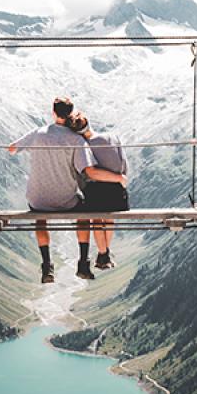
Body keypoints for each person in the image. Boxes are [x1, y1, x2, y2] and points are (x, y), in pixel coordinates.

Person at [7, 97, 125, 283]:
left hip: (38, 199)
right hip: (66, 200)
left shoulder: (38, 133)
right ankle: (84, 263)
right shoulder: (76, 140)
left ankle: (47, 266)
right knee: (85, 213)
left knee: (39, 217)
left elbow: (12, 148)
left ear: (53, 112)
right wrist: (118, 178)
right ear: (70, 114)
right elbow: (89, 171)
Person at [65, 112, 129, 273]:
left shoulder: (82, 146)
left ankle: (103, 253)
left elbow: (89, 173)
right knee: (109, 219)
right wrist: (119, 180)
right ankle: (105, 253)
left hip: (96, 193)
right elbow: (124, 165)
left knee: (96, 219)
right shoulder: (112, 137)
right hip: (118, 193)